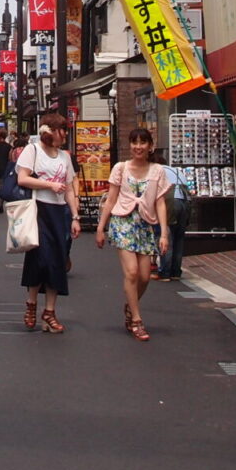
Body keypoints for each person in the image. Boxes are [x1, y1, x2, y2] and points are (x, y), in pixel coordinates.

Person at [96, 128, 170, 341]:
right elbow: (110, 199)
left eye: (143, 142)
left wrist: (164, 233)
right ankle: (136, 320)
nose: (138, 146)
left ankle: (130, 305)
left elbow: (160, 202)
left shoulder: (157, 170)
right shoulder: (120, 168)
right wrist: (101, 228)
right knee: (131, 272)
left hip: (145, 225)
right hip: (123, 223)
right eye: (135, 142)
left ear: (150, 146)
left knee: (145, 277)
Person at [16, 113, 80, 334]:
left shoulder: (64, 157)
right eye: (61, 130)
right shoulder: (33, 150)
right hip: (38, 210)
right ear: (50, 131)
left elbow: (70, 188)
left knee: (57, 261)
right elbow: (22, 178)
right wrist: (49, 185)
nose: (64, 135)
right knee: (39, 259)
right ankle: (32, 305)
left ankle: (50, 312)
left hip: (59, 212)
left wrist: (75, 216)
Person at [153, 155, 193, 283]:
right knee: (179, 238)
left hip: (170, 203)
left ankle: (165, 273)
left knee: (166, 237)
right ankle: (176, 272)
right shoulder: (177, 171)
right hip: (184, 204)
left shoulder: (157, 170)